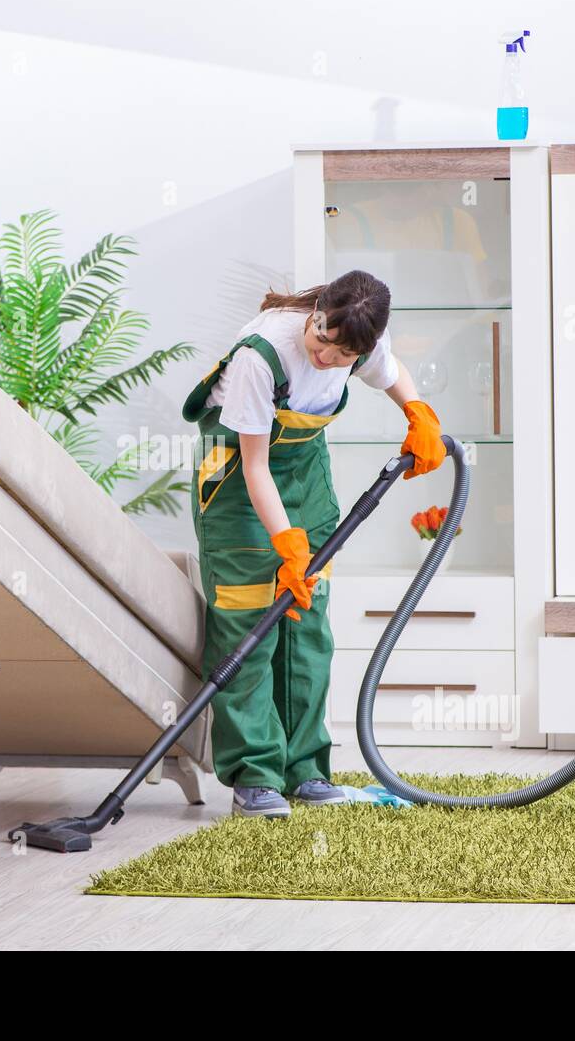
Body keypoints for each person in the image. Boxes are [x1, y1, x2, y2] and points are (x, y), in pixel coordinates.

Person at [182, 270, 445, 817]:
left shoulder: (360, 340)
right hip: (238, 485)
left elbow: (392, 375)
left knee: (307, 625)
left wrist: (417, 411)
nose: (325, 356)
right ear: (317, 312)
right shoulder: (261, 357)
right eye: (321, 339)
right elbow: (255, 466)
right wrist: (285, 543)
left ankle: (304, 771)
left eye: (341, 354)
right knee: (248, 627)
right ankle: (255, 776)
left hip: (306, 477)